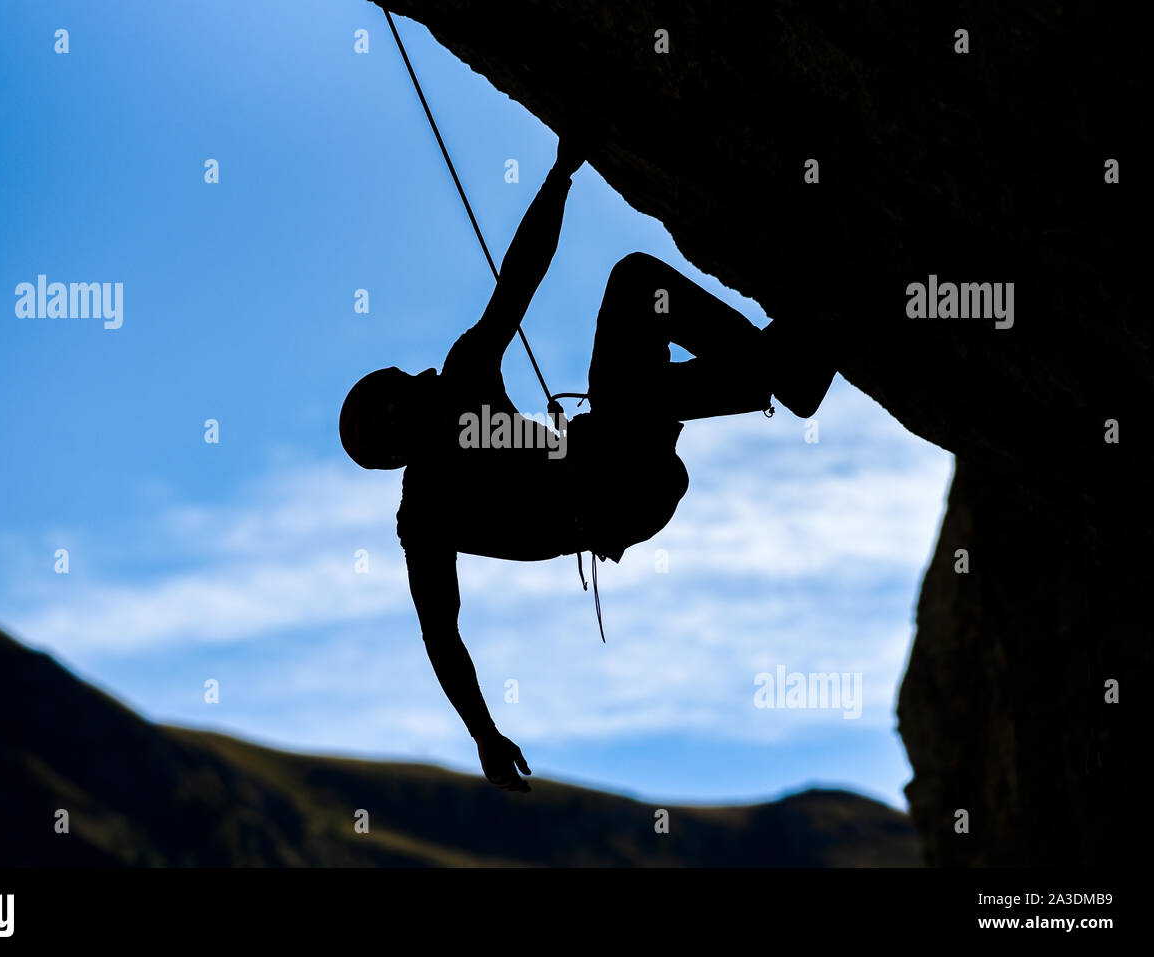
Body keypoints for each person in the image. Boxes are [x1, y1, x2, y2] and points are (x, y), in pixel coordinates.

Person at [339, 139, 835, 791]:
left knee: (638, 303)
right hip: (615, 489)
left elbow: (519, 278)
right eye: (405, 379)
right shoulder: (428, 506)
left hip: (628, 473)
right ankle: (778, 370)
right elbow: (442, 633)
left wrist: (559, 176)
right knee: (632, 316)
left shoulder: (452, 413)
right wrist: (483, 732)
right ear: (396, 425)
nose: (423, 369)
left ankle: (773, 370)